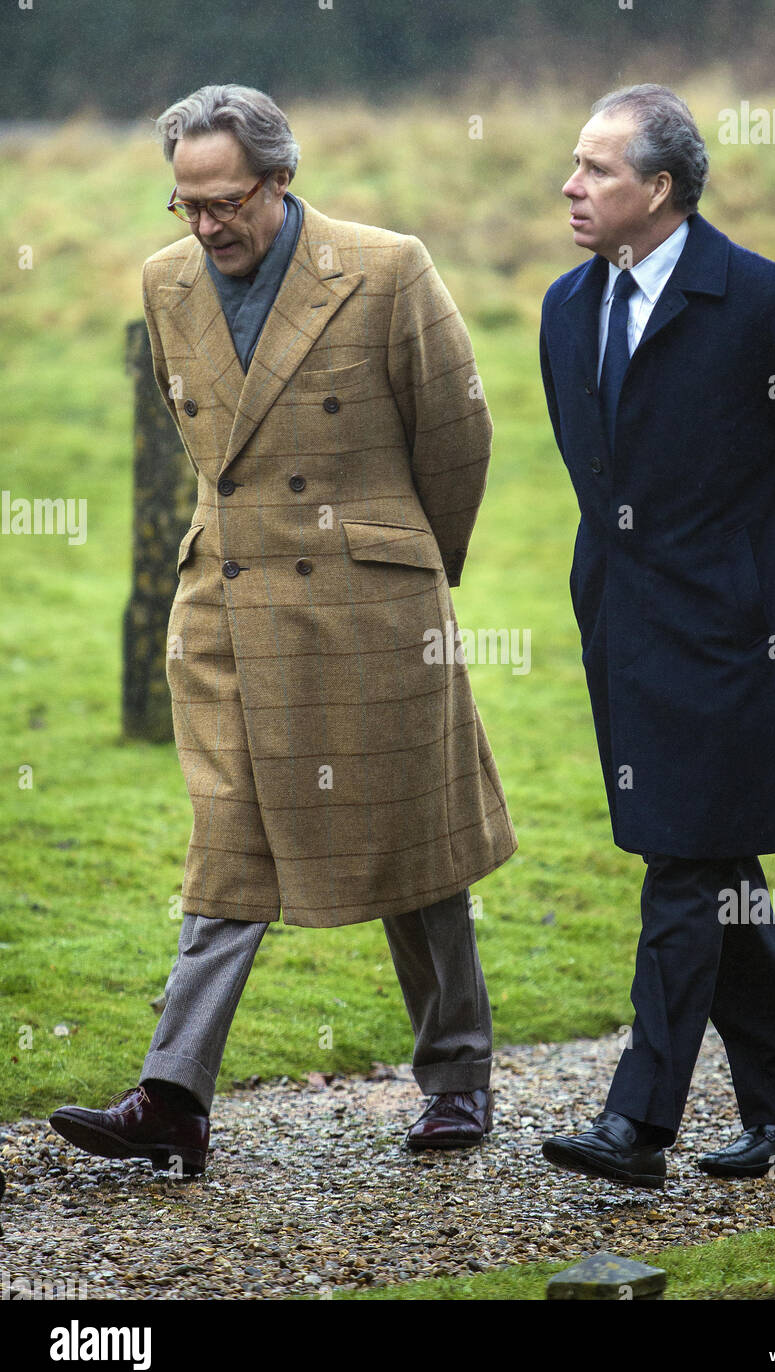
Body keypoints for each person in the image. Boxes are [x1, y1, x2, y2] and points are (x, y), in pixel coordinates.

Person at [50, 84, 516, 1174]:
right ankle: (173, 1096)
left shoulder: (388, 268)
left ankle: (458, 1077)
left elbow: (459, 431)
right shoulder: (168, 282)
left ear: (280, 178)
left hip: (374, 609)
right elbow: (198, 434)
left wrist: (404, 562)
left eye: (226, 202)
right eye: (187, 204)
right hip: (229, 605)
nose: (207, 226)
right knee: (227, 846)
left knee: (415, 846)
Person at [538, 85, 775, 1188]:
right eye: (574, 166)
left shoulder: (768, 304)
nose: (572, 187)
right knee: (712, 862)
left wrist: (769, 611)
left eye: (596, 170)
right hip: (624, 634)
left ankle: (638, 1123)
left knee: (683, 863)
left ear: (660, 189)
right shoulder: (563, 308)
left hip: (734, 645)